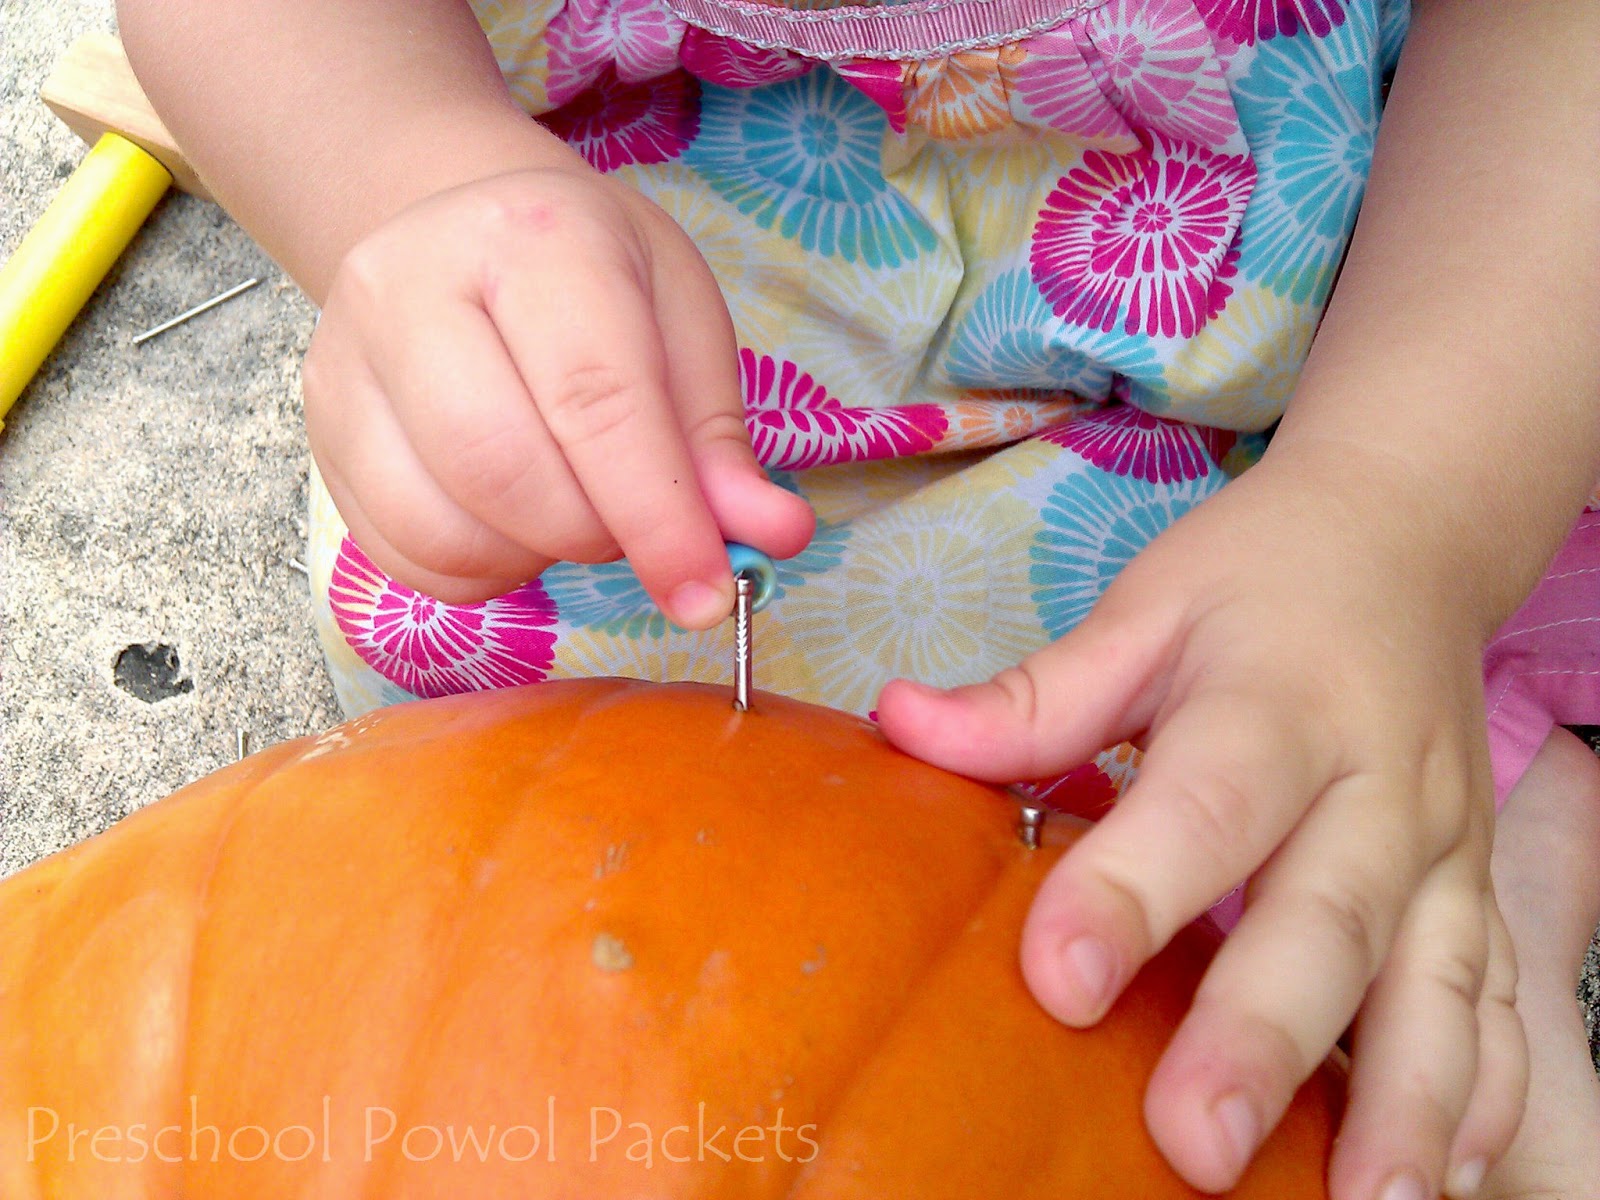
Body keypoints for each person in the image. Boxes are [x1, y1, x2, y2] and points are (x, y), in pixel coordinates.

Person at [117, 0, 1600, 1195]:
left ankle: (1450, 759)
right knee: (619, 771)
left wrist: (1404, 513)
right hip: (699, 319)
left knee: (1365, 617)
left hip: (1353, 308)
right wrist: (413, 178)